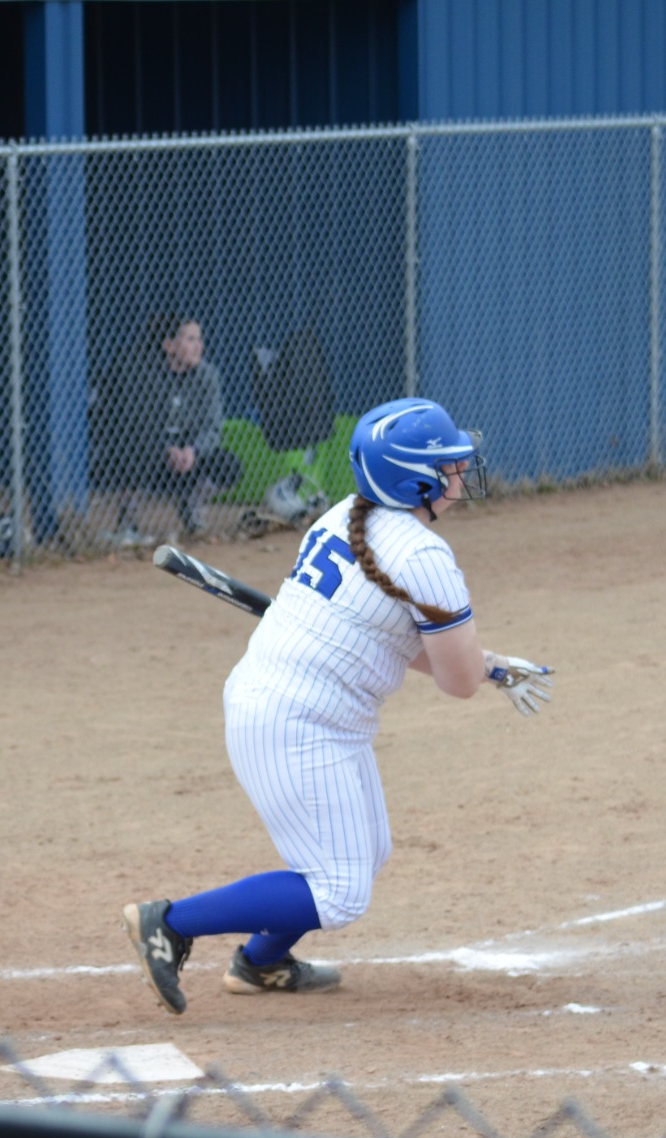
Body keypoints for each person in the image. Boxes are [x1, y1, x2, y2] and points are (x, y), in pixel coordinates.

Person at [119, 398, 555, 1014]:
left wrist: (487, 664)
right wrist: (484, 666)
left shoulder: (342, 514)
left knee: (366, 850)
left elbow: (392, 641)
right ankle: (169, 922)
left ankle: (261, 963)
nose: (461, 469)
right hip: (295, 721)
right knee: (340, 891)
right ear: (417, 480)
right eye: (448, 463)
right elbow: (454, 680)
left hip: (301, 709)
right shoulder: (425, 558)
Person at [91, 314, 242, 545]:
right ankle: (127, 523)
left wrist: (193, 451)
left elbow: (212, 428)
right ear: (169, 345)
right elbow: (134, 426)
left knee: (228, 465)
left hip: (187, 458)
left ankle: (191, 506)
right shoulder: (143, 375)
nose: (199, 346)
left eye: (199, 339)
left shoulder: (207, 376)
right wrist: (165, 448)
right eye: (190, 339)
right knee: (129, 452)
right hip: (153, 457)